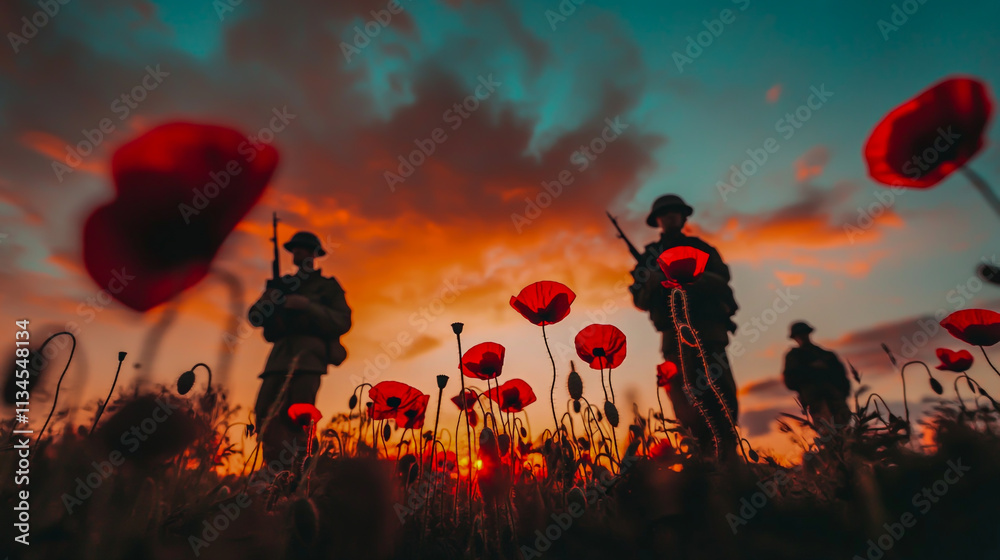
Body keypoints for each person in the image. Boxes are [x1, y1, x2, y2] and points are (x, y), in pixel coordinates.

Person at [630, 194, 740, 458]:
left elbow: (721, 280)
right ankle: (700, 455)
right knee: (681, 396)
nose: (669, 217)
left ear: (683, 216)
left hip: (708, 332)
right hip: (672, 337)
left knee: (721, 390)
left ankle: (728, 453)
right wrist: (652, 283)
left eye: (674, 212)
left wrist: (688, 276)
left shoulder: (701, 248)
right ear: (657, 220)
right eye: (664, 213)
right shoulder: (648, 257)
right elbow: (639, 298)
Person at [251, 231, 352, 473]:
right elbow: (254, 317)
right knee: (264, 413)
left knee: (299, 417)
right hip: (278, 359)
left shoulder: (327, 287)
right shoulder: (281, 285)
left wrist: (308, 306)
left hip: (309, 358)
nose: (298, 252)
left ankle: (304, 473)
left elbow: (343, 321)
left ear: (315, 254)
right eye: (295, 248)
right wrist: (269, 300)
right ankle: (272, 473)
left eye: (304, 248)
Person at [781, 321, 851, 430]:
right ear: (794, 338)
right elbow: (790, 381)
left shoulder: (827, 355)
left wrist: (841, 395)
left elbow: (842, 378)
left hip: (836, 401)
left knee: (846, 432)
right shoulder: (794, 357)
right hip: (816, 403)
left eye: (803, 333)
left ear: (808, 333)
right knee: (828, 436)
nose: (802, 337)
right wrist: (813, 370)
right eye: (799, 334)